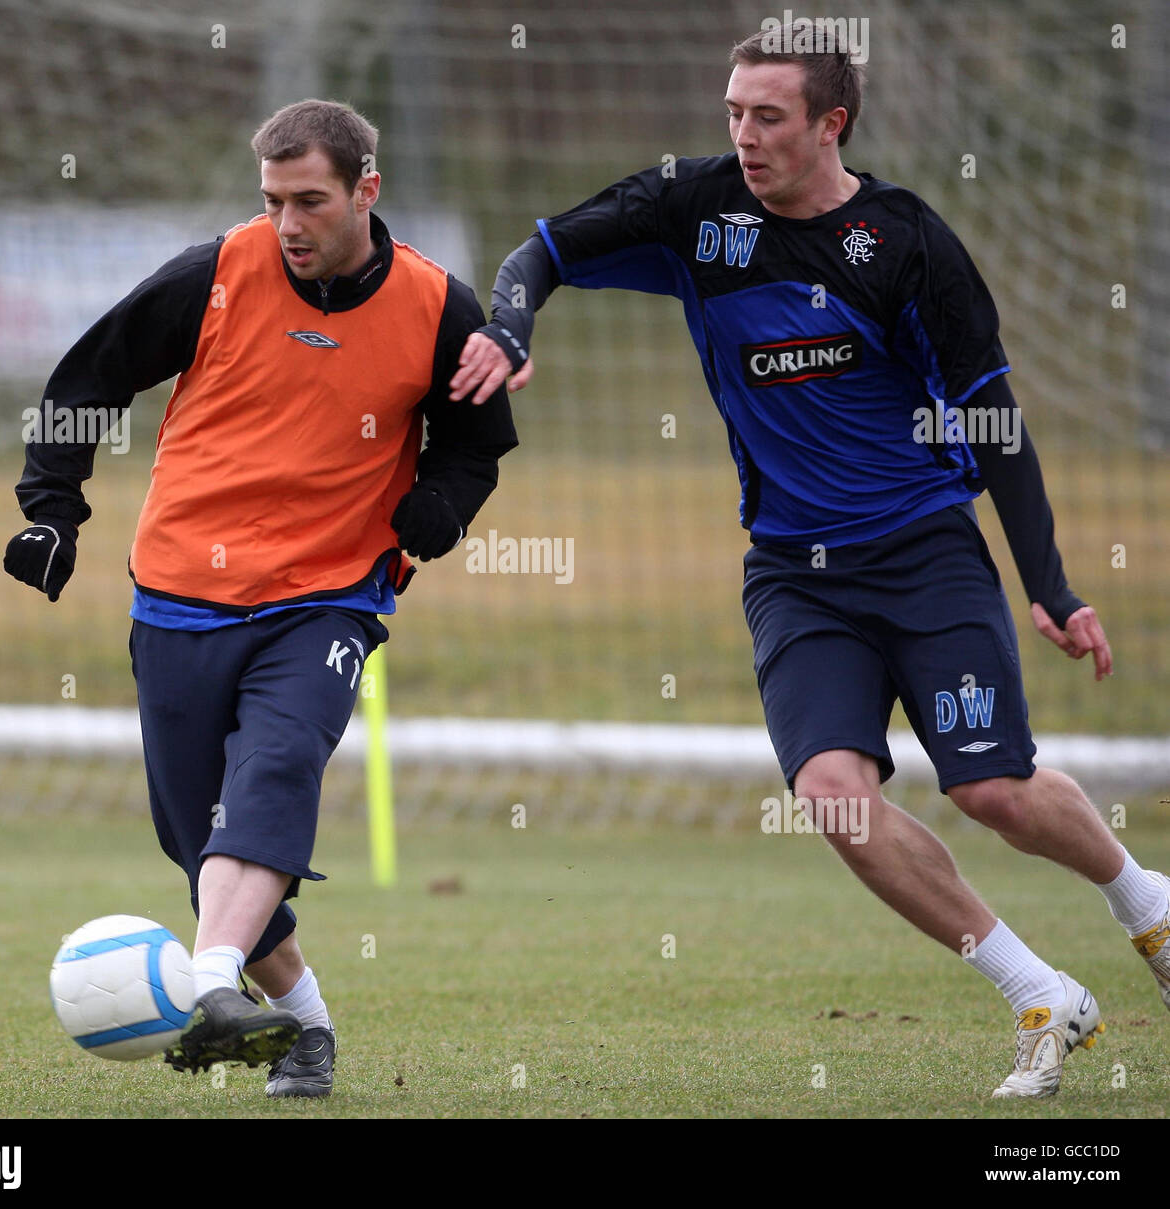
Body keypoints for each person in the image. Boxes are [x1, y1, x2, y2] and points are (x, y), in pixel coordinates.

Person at [450, 27, 1169, 1099]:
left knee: (992, 793)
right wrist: (506, 329)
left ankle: (1147, 909)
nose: (742, 135)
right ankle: (1036, 993)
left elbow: (995, 425)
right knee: (831, 796)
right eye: (733, 112)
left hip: (925, 551)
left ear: (831, 124)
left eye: (768, 115)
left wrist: (1050, 586)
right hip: (793, 571)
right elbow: (537, 254)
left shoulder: (907, 243)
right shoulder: (693, 210)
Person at [6, 100, 518, 1098]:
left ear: (366, 190)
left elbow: (476, 443)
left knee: (277, 771)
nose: (289, 221)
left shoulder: (437, 305)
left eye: (310, 200)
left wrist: (438, 510)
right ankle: (305, 1028)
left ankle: (204, 984)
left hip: (328, 598)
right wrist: (51, 510)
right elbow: (85, 381)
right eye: (274, 199)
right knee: (198, 840)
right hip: (179, 597)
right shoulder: (213, 273)